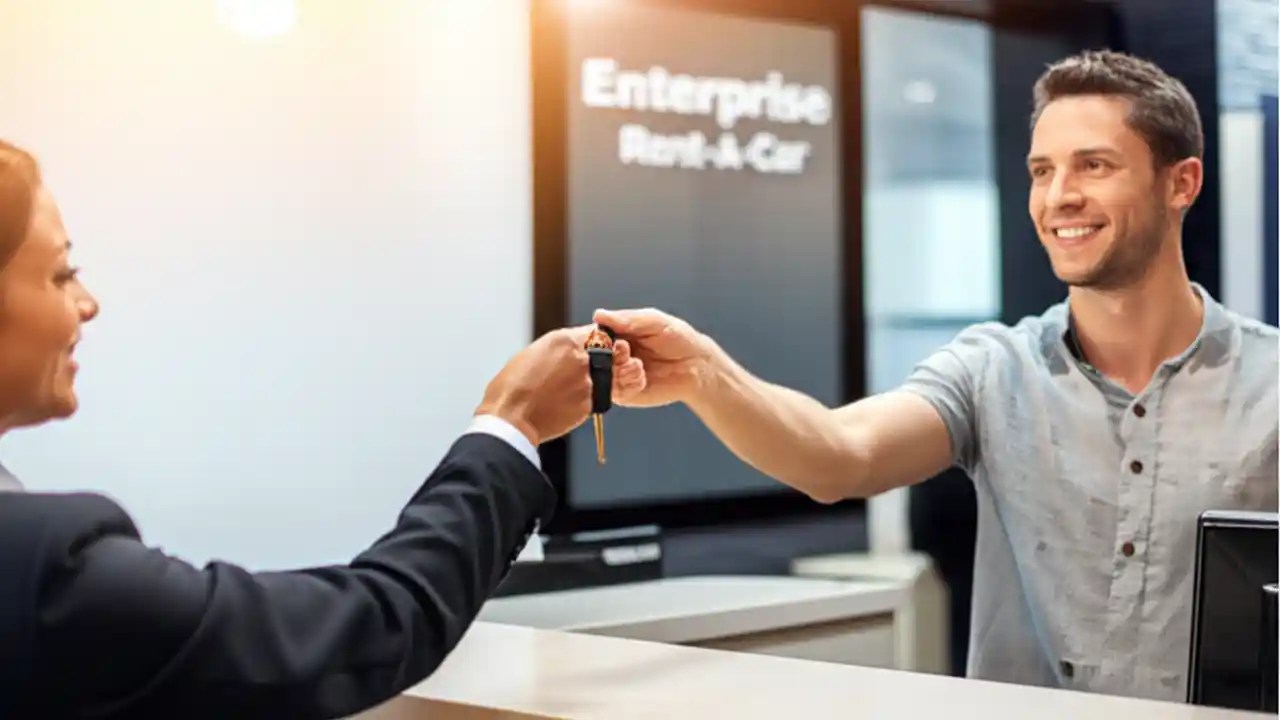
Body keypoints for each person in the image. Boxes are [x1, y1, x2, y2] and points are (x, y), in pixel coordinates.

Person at [601, 50, 1279, 701]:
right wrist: (702, 374)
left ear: (1180, 183)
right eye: (1042, 172)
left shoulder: (1270, 381)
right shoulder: (993, 368)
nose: (1059, 197)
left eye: (1093, 165)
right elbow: (838, 457)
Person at [0, 139, 646, 719]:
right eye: (61, 274)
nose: (88, 303)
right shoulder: (43, 567)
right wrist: (512, 423)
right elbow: (367, 628)